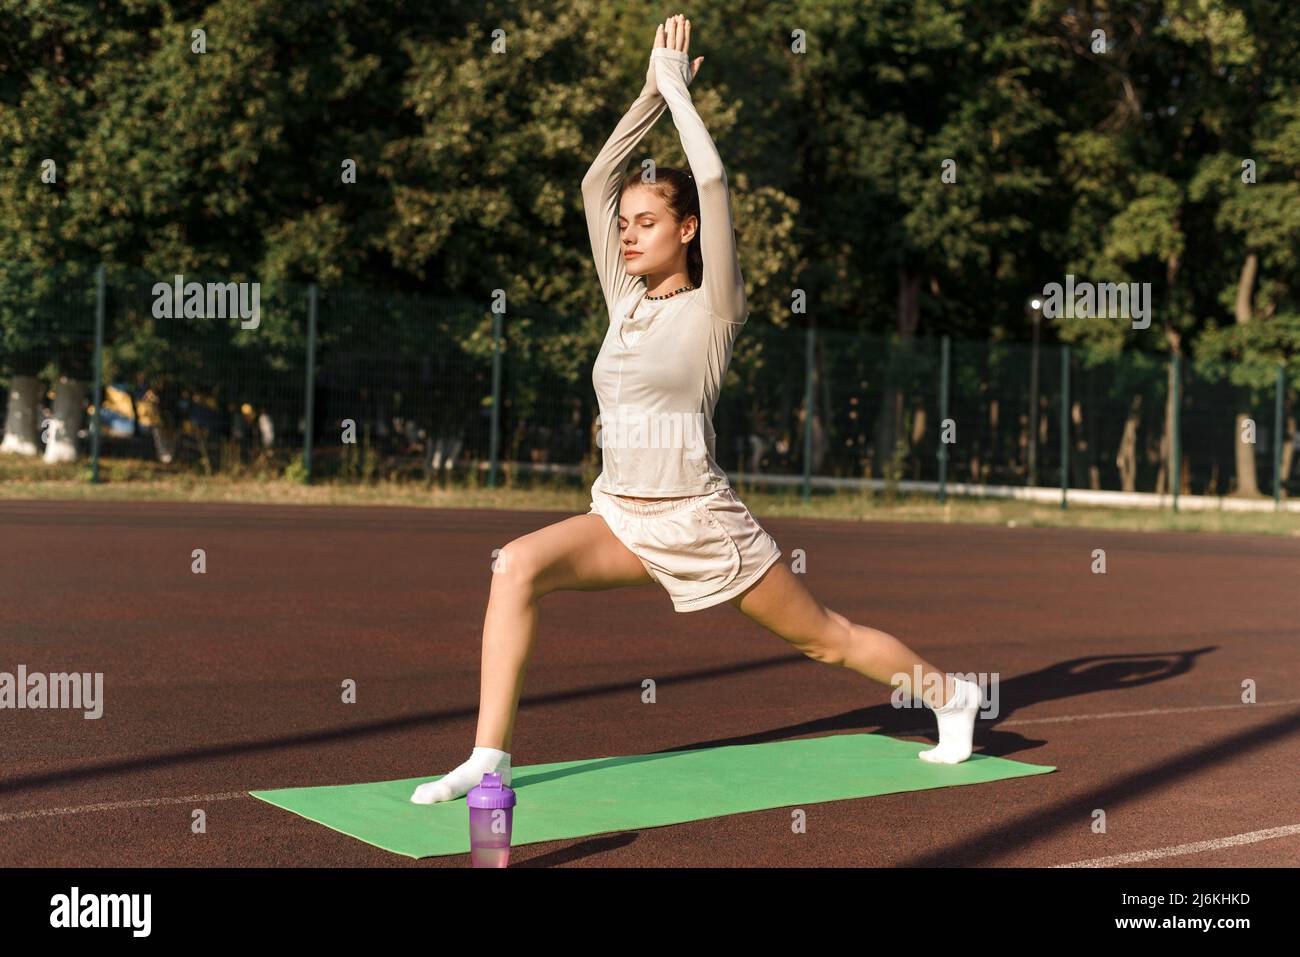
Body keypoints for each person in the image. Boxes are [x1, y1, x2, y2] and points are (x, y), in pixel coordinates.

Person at [411, 15, 981, 805]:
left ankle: (952, 695)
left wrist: (680, 94)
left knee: (826, 640)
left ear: (685, 232)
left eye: (648, 223)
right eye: (626, 226)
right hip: (620, 516)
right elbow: (593, 183)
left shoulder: (716, 307)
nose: (629, 233)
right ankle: (489, 758)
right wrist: (651, 85)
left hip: (700, 520)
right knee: (515, 565)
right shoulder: (624, 302)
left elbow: (711, 182)